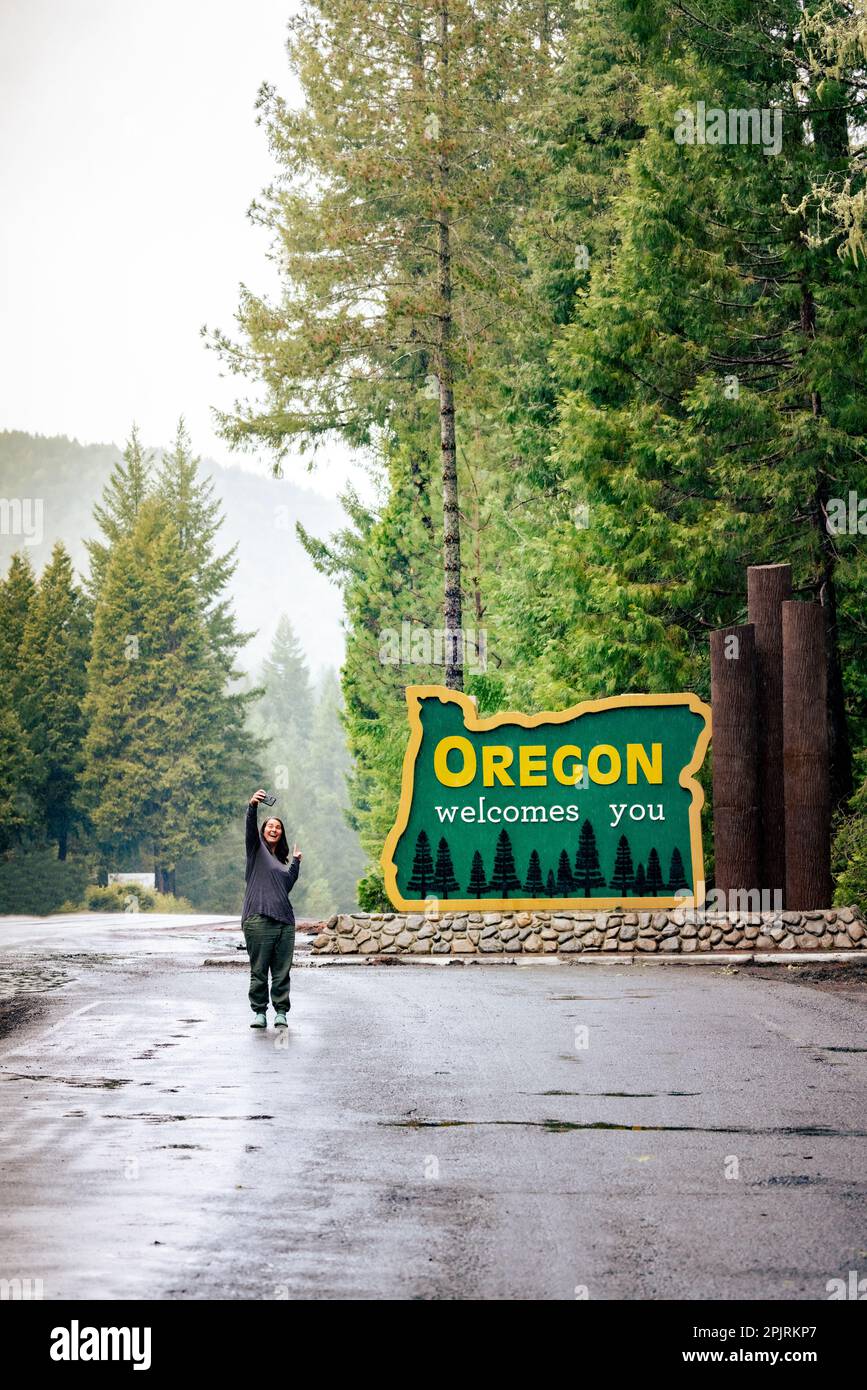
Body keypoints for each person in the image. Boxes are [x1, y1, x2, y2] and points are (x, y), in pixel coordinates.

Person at [242, 789, 302, 1029]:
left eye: (278, 826)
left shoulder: (279, 862)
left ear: (282, 833)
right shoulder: (256, 850)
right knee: (259, 970)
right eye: (270, 826)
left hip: (285, 922)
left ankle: (281, 1012)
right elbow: (250, 828)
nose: (274, 829)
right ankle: (259, 1013)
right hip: (258, 917)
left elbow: (286, 885)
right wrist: (252, 807)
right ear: (263, 831)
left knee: (281, 971)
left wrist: (296, 862)